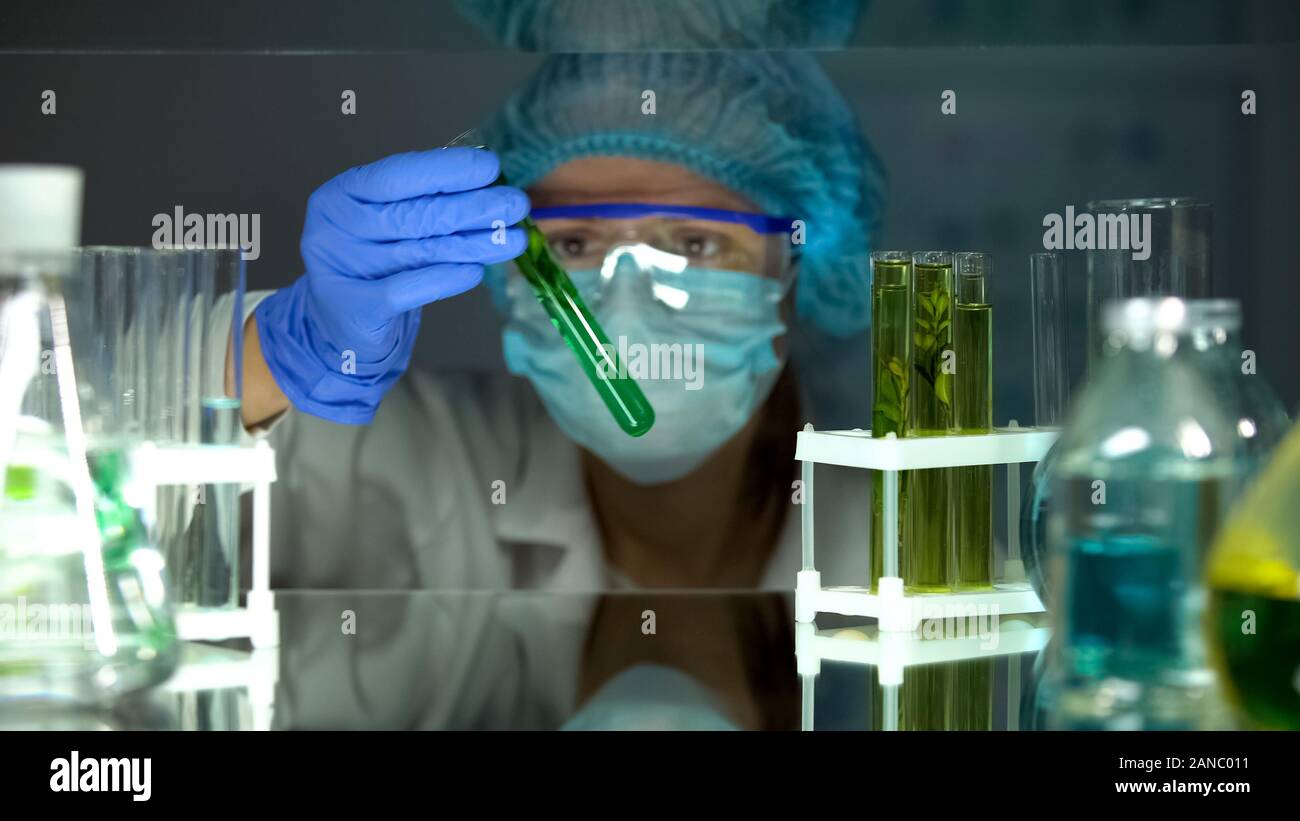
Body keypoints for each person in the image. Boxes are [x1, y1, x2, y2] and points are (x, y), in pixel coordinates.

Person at [217, 51, 885, 590]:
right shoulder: (419, 458)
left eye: (694, 242)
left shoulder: (896, 544)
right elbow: (159, 493)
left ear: (797, 268)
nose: (626, 305)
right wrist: (283, 355)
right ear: (511, 272)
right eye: (573, 243)